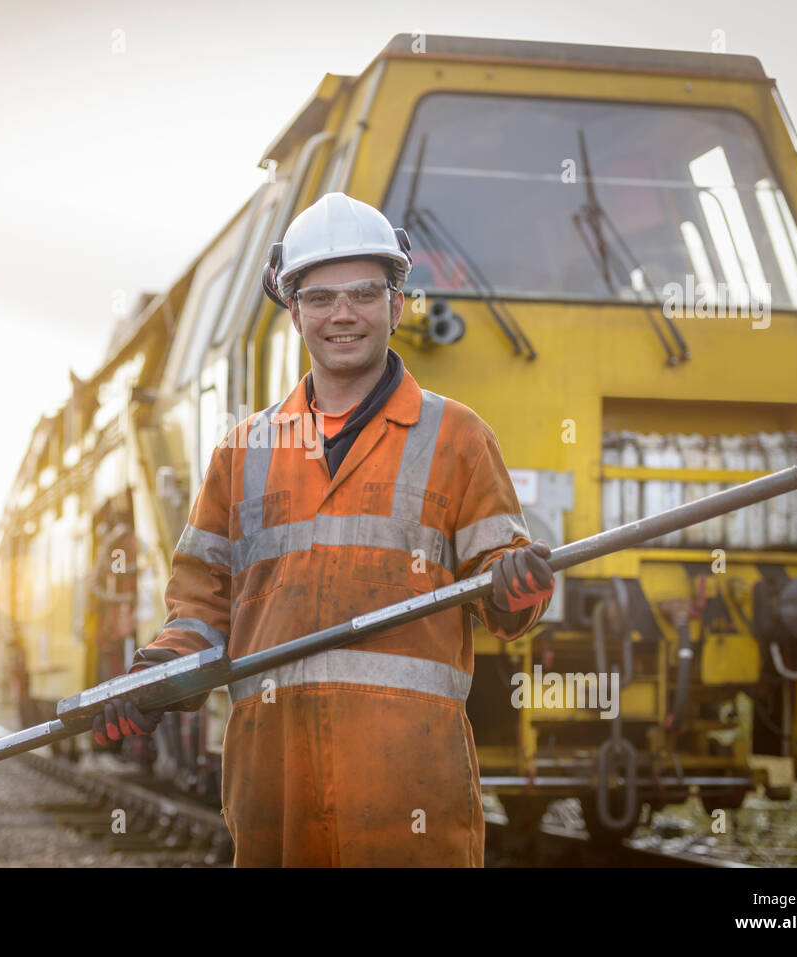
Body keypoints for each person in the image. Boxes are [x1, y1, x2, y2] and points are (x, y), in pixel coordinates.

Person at [93, 192, 553, 866]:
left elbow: (506, 596)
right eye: (320, 297)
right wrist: (161, 669)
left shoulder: (457, 437)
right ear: (293, 309)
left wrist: (515, 584)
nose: (343, 314)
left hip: (410, 796)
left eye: (365, 293)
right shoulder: (241, 453)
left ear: (397, 305)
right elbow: (200, 605)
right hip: (273, 792)